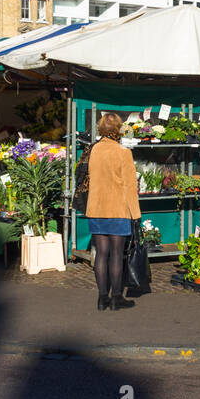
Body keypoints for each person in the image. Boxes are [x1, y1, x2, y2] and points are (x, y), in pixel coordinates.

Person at [85, 112, 142, 311]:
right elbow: (130, 187)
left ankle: (102, 299)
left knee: (101, 253)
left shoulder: (92, 150)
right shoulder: (123, 152)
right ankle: (117, 298)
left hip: (96, 207)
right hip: (118, 208)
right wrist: (136, 215)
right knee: (117, 254)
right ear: (118, 129)